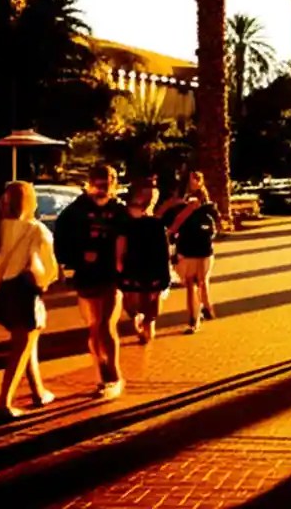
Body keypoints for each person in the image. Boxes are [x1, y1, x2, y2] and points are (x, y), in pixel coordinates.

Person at [0, 182, 59, 419]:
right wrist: (45, 282)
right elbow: (48, 266)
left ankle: (39, 392)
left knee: (28, 340)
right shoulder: (36, 230)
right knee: (21, 346)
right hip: (23, 292)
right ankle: (4, 402)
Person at [54, 164, 127, 400]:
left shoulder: (120, 211)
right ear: (89, 183)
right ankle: (101, 371)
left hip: (112, 276)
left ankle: (114, 375)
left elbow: (134, 238)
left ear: (114, 184)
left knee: (106, 324)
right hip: (86, 276)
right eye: (98, 184)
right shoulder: (75, 212)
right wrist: (78, 257)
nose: (102, 188)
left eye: (107, 184)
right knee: (94, 326)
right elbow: (61, 244)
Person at [117, 183, 171, 344]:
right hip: (132, 265)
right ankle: (139, 322)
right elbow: (121, 243)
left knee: (152, 302)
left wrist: (165, 271)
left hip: (152, 267)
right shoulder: (125, 222)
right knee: (131, 301)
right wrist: (118, 262)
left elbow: (164, 249)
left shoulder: (156, 224)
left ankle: (147, 326)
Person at [168, 185, 219, 334]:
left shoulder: (208, 213)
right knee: (191, 284)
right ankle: (194, 319)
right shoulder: (181, 214)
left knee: (201, 282)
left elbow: (214, 231)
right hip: (188, 253)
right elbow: (172, 230)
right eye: (190, 199)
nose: (193, 202)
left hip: (204, 253)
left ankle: (203, 309)